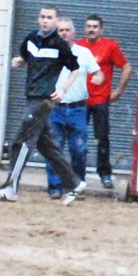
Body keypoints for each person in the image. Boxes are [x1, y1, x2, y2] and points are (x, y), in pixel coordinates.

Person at [0, 4, 87, 204]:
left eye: (49, 17)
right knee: (47, 146)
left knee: (21, 142)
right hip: (31, 96)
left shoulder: (60, 45)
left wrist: (63, 90)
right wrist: (19, 61)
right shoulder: (31, 38)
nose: (44, 20)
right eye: (42, 16)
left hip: (43, 101)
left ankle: (10, 188)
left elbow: (75, 69)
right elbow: (26, 57)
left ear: (56, 21)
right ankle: (74, 183)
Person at [77, 14, 131, 190]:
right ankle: (77, 176)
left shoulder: (110, 46)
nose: (91, 29)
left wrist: (118, 91)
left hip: (101, 100)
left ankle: (105, 174)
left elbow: (126, 68)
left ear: (101, 29)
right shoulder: (78, 46)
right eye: (88, 26)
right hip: (80, 101)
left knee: (102, 138)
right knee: (78, 138)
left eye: (95, 26)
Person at [47, 18, 99, 198]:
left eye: (67, 30)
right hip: (54, 108)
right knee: (54, 148)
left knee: (79, 150)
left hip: (77, 109)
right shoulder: (49, 52)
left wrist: (98, 79)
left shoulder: (84, 53)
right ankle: (54, 187)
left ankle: (75, 186)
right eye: (60, 30)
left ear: (73, 33)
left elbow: (97, 73)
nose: (63, 33)